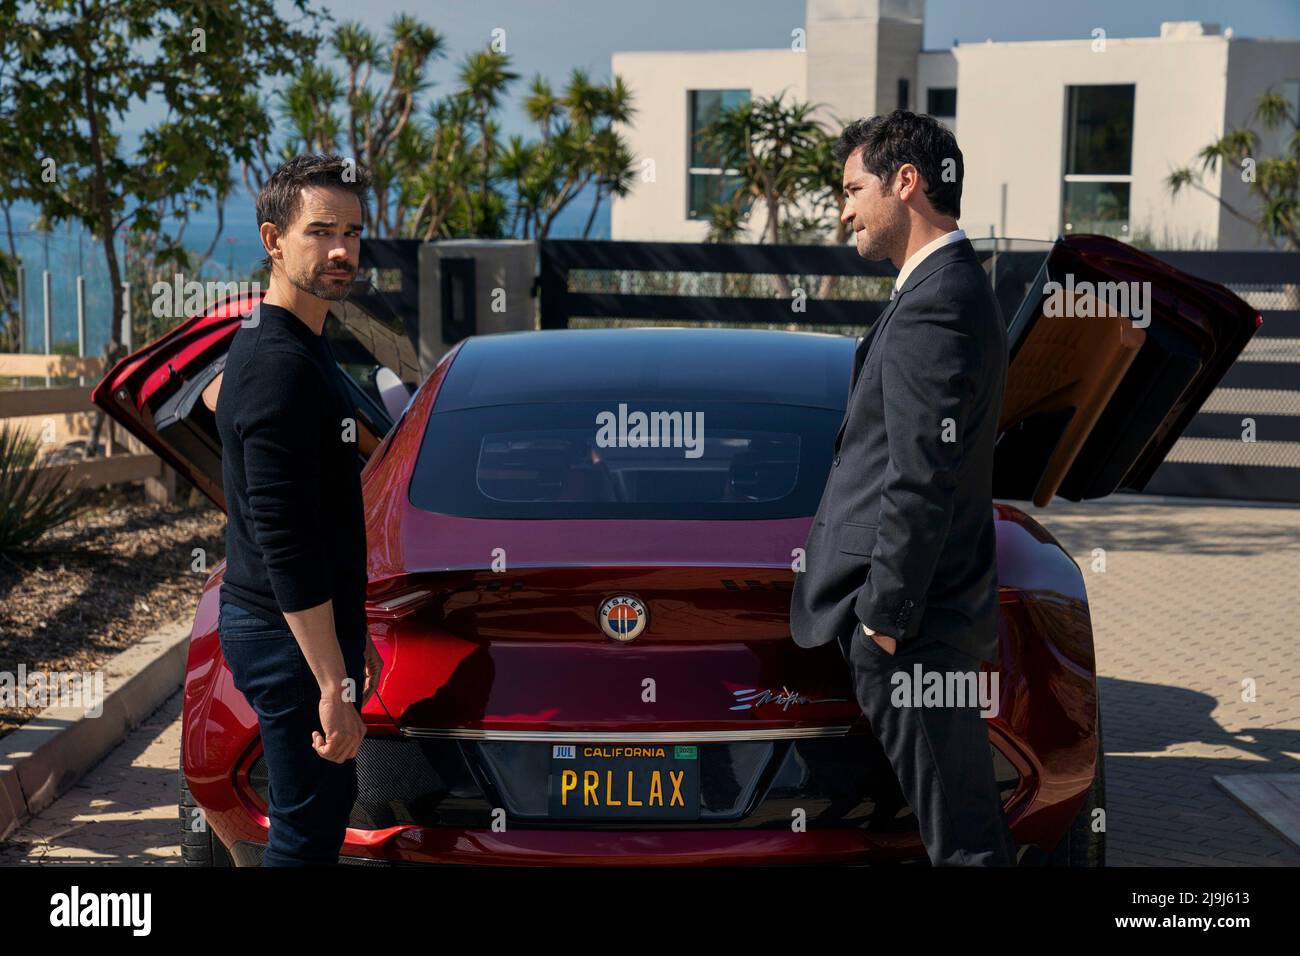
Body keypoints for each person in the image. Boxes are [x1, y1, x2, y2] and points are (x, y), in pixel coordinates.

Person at [789, 110, 1016, 865]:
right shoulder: (940, 291)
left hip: (915, 634)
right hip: (919, 628)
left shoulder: (939, 302)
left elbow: (924, 473)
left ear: (906, 184)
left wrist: (883, 621)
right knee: (956, 831)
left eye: (854, 189)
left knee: (966, 843)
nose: (845, 209)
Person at [212, 153, 383, 866]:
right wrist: (328, 684)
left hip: (295, 624)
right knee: (307, 829)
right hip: (286, 635)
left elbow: (221, 400)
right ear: (272, 240)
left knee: (315, 813)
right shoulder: (280, 362)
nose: (341, 249)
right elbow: (286, 542)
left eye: (351, 231)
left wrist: (354, 636)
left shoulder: (280, 340)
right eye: (320, 231)